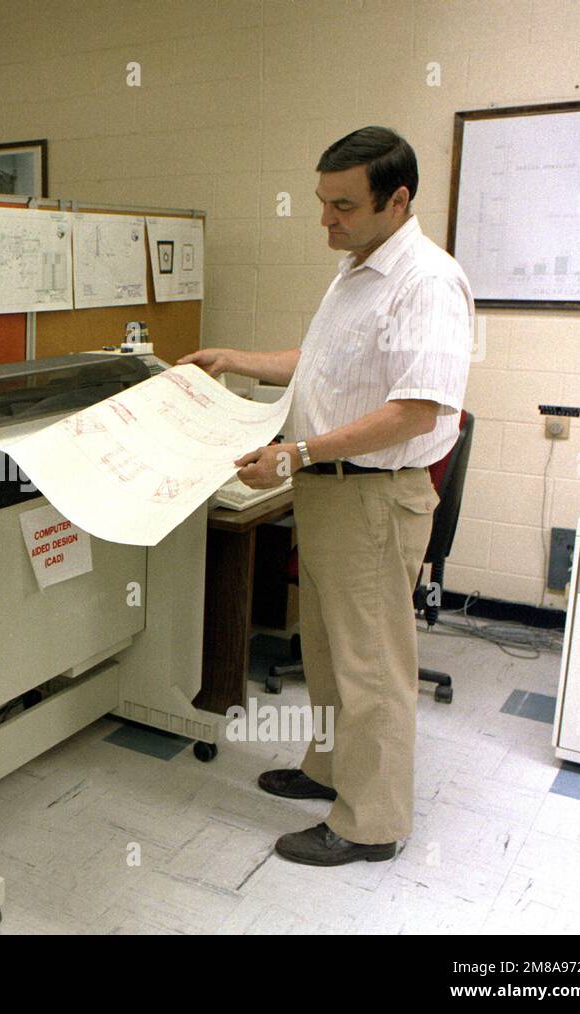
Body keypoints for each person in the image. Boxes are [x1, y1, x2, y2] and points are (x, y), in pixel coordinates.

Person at [178, 126, 473, 866]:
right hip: (333, 491)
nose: (326, 220)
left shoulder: (425, 282)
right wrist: (233, 357)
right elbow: (322, 366)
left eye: (343, 204)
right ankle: (329, 769)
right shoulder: (359, 265)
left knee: (371, 665)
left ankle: (371, 823)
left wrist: (296, 453)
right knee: (332, 652)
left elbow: (418, 408)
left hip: (373, 497)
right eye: (321, 202)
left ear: (397, 199)